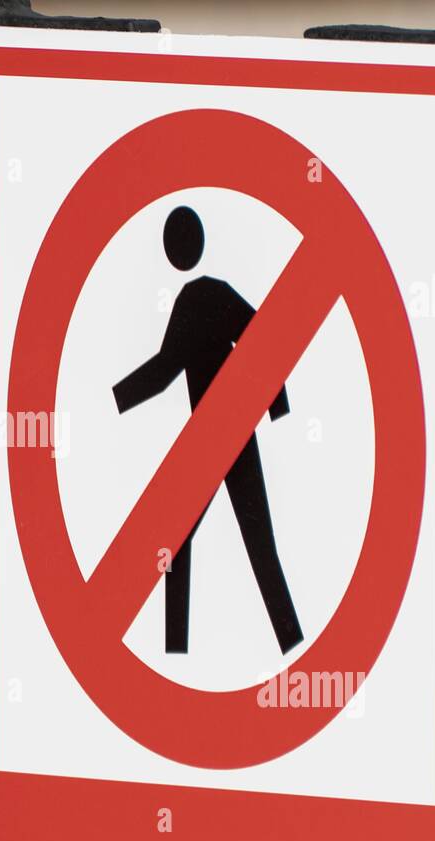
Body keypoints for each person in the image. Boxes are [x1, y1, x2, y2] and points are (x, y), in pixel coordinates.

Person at [113, 205, 304, 655]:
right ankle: (283, 640)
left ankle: (178, 650)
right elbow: (264, 338)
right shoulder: (212, 294)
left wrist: (117, 398)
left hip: (215, 436)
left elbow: (165, 371)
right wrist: (278, 409)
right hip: (227, 430)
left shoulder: (193, 300)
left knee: (188, 546)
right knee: (253, 546)